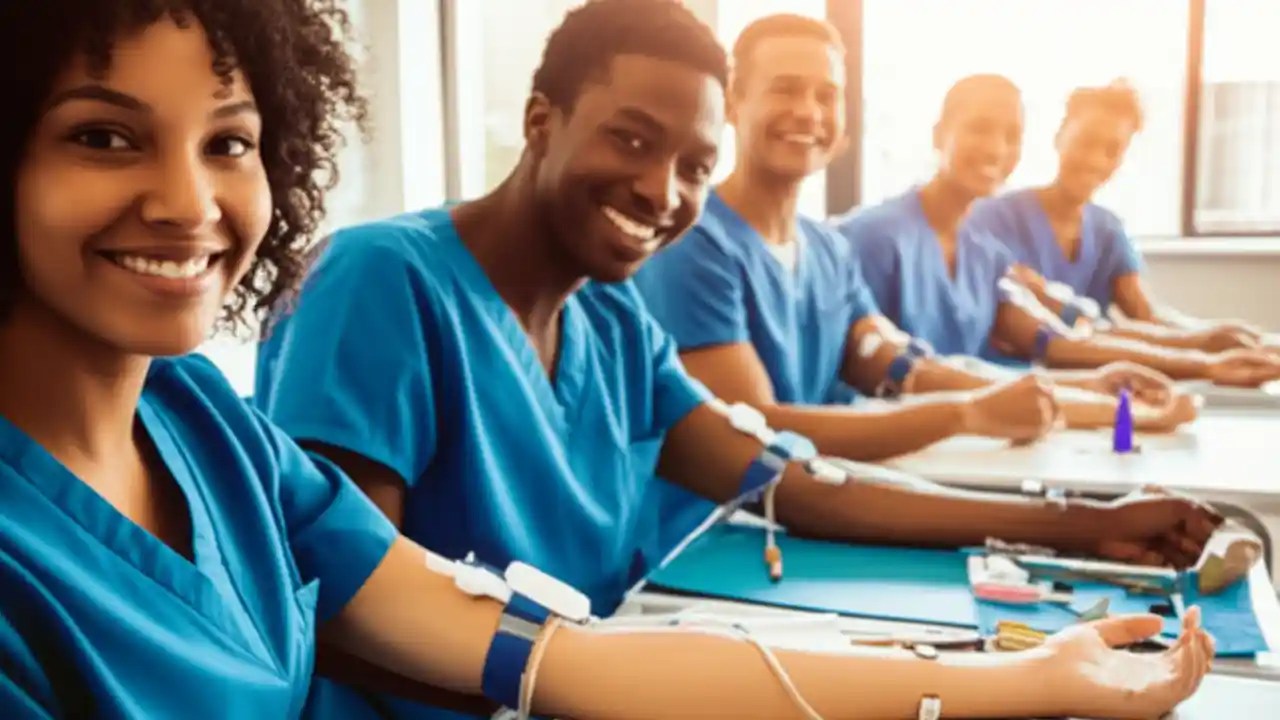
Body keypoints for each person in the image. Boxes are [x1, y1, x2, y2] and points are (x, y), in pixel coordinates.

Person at [251, 2, 1216, 718]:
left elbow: (799, 486)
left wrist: (1080, 527)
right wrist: (594, 680)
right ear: (542, 120)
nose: (661, 189)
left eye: (694, 167)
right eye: (631, 138)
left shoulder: (615, 324)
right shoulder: (381, 284)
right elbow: (343, 611)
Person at [631, 14, 1201, 565]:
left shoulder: (827, 251)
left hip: (794, 524)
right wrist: (965, 414)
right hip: (707, 544)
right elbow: (757, 428)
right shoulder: (696, 243)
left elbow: (904, 366)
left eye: (826, 95)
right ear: (733, 104)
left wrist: (1100, 399)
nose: (807, 111)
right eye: (784, 90)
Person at [831, 74, 1280, 388]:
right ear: (938, 134)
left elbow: (1059, 343)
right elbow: (872, 376)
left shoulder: (985, 254)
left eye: (1011, 136)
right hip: (909, 435)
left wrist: (1207, 364)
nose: (995, 148)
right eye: (979, 129)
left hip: (973, 427)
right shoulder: (872, 238)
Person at [967, 80, 1270, 353]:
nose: (1095, 160)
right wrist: (1200, 342)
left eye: (1112, 151)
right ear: (1060, 136)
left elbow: (1145, 314)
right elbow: (1037, 316)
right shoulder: (994, 219)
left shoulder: (1107, 230)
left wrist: (1215, 333)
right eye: (1086, 142)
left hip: (1097, 369)